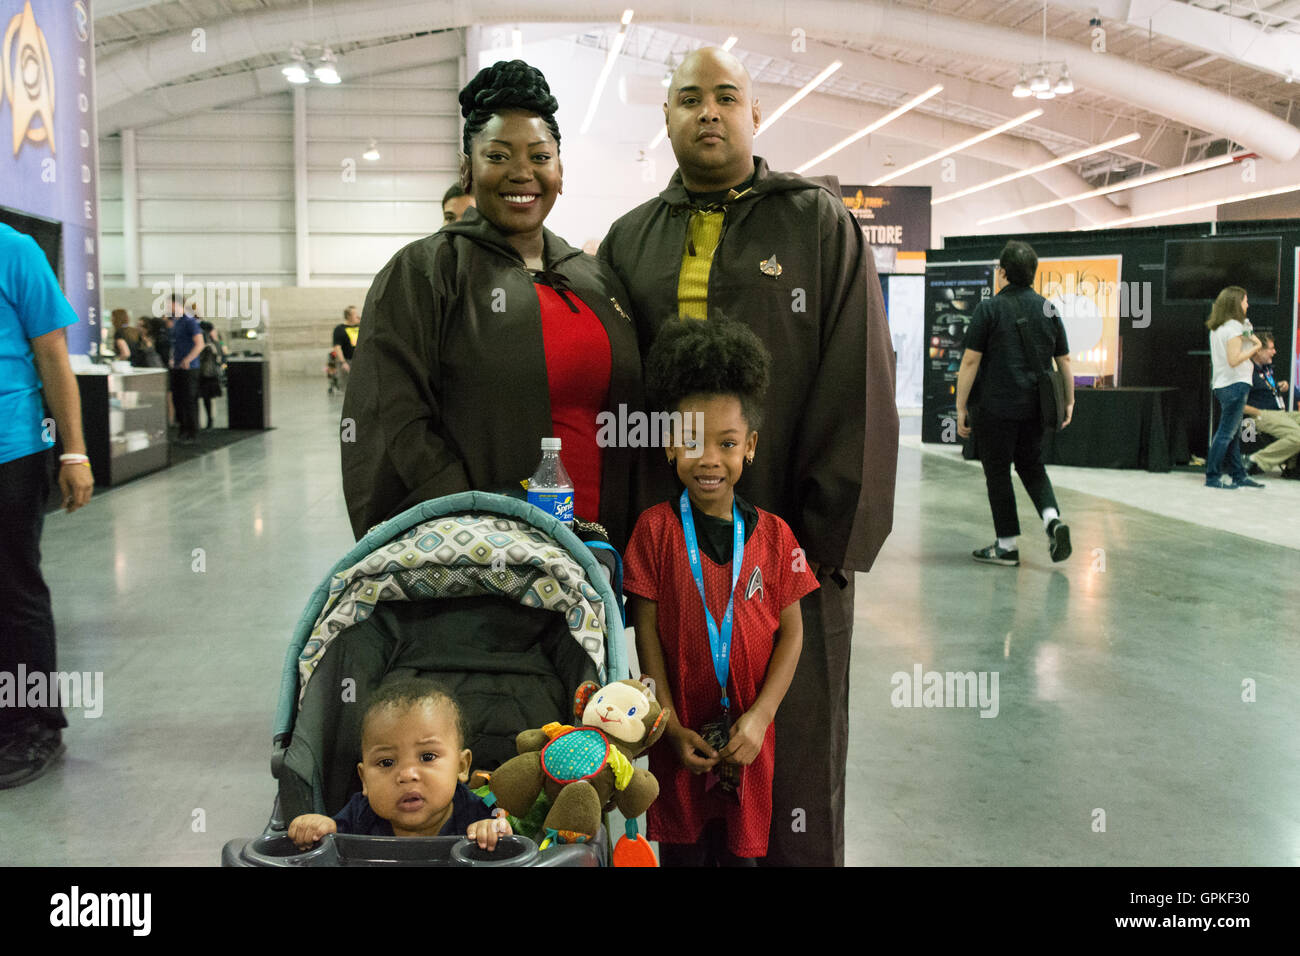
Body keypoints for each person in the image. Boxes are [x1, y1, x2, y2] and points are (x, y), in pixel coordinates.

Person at [598, 46, 898, 866]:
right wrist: (625, 541)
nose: (707, 111)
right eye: (688, 98)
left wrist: (827, 543)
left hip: (788, 551)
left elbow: (858, 379)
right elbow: (619, 396)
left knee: (792, 763)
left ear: (754, 114)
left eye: (726, 95)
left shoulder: (814, 221)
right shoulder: (631, 241)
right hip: (671, 554)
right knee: (680, 756)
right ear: (664, 118)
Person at [342, 60, 642, 547]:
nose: (521, 172)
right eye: (498, 156)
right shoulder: (425, 272)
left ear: (560, 171)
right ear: (468, 170)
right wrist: (478, 530)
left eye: (540, 157)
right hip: (479, 559)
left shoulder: (596, 279)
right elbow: (392, 420)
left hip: (599, 555)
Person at [624, 318, 817, 866]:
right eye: (692, 441)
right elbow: (646, 633)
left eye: (726, 443)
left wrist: (759, 719)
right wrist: (669, 725)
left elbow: (794, 633)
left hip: (748, 744)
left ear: (749, 447)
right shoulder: (655, 532)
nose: (709, 458)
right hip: (680, 739)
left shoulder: (777, 537)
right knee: (682, 853)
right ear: (668, 445)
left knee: (742, 856)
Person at [0, 222, 94, 789]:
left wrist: (74, 452)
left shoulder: (14, 249)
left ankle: (35, 725)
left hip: (10, 448)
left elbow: (53, 355)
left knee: (13, 591)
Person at [955, 240, 1075, 566]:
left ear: (1003, 273)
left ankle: (1006, 546)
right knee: (1032, 466)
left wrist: (960, 406)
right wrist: (1069, 402)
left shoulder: (989, 309)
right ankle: (1052, 520)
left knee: (998, 472)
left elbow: (969, 362)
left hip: (997, 408)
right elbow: (1064, 361)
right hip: (1035, 407)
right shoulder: (1049, 308)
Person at [286, 678, 511, 850]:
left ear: (461, 767)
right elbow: (332, 840)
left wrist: (494, 832)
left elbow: (504, 828)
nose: (407, 774)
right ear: (364, 780)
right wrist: (318, 827)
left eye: (427, 757)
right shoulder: (358, 815)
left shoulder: (479, 810)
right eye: (386, 762)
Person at [1203, 286, 1265, 490]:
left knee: (1231, 433)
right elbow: (1234, 359)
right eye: (1245, 301)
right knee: (1226, 434)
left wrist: (1249, 335)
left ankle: (1238, 474)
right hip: (1235, 384)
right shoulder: (1233, 329)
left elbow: (1240, 349)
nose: (1248, 304)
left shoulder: (1219, 327)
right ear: (1237, 303)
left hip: (1224, 384)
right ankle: (1212, 476)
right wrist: (1256, 346)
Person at [1244, 331, 1299, 477]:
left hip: (1281, 413)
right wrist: (1258, 413)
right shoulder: (1246, 371)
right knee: (1298, 436)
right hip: (1263, 415)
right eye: (1271, 348)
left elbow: (1266, 388)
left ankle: (1292, 467)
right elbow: (1237, 403)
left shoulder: (1266, 369)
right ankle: (1257, 460)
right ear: (1258, 350)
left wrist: (1279, 387)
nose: (1274, 352)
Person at [169, 297, 204, 445]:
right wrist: (173, 358)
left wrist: (188, 359)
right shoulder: (177, 322)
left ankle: (192, 432)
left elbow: (200, 344)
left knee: (189, 401)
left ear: (177, 304)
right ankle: (183, 431)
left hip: (189, 369)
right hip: (177, 367)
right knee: (178, 400)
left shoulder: (190, 322)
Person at [197, 321, 224, 429]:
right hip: (208, 373)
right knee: (206, 398)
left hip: (205, 373)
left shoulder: (208, 343)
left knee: (206, 398)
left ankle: (209, 420)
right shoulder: (213, 342)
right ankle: (209, 419)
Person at [329, 306, 360, 395]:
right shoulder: (340, 329)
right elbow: (337, 347)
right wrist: (343, 362)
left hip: (359, 361)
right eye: (355, 314)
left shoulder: (360, 327)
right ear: (349, 316)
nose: (358, 316)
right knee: (347, 388)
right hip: (348, 360)